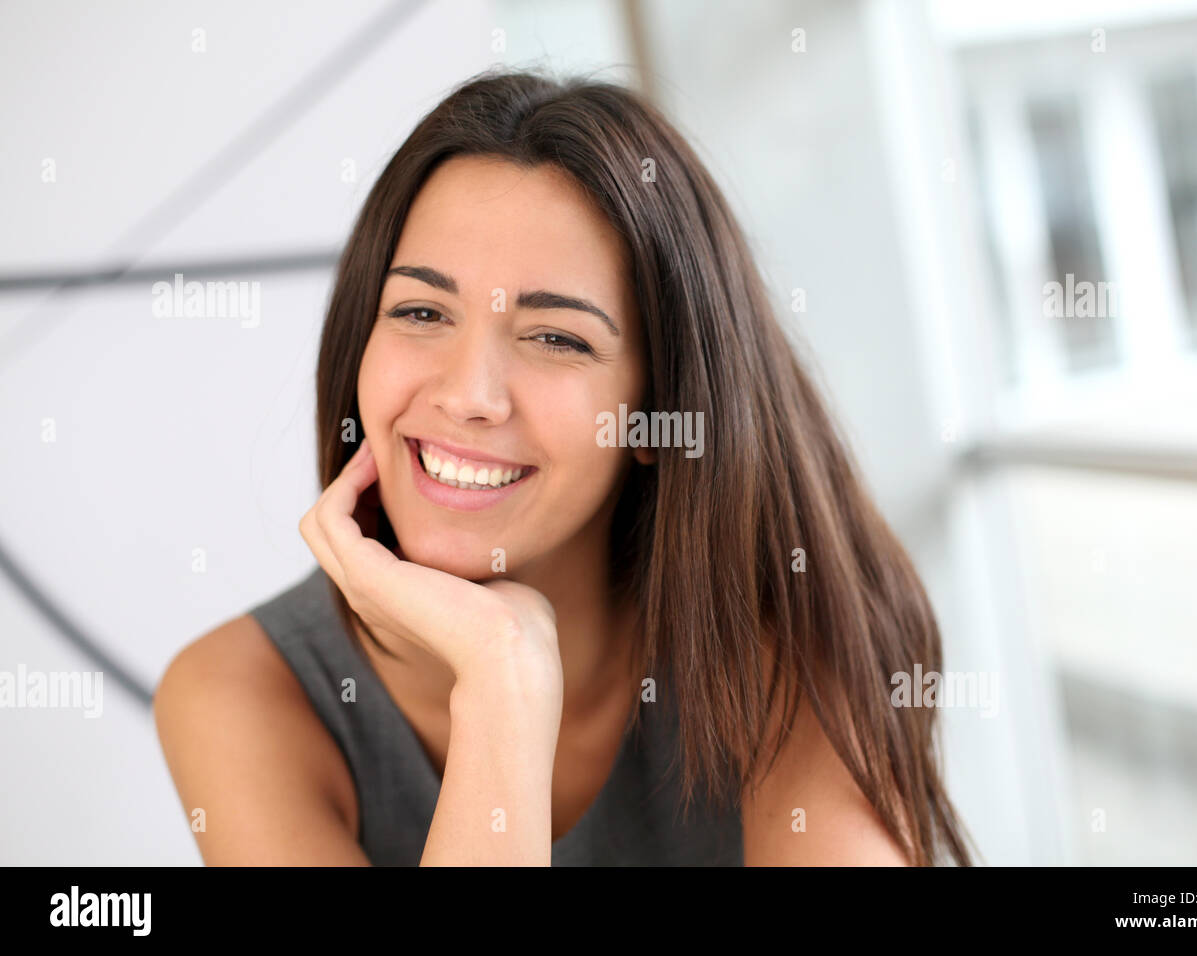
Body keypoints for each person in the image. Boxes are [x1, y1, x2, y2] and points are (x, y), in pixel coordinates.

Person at [154, 67, 976, 867]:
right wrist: (504, 681)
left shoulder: (795, 641)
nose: (470, 396)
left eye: (557, 338)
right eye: (420, 311)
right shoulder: (242, 693)